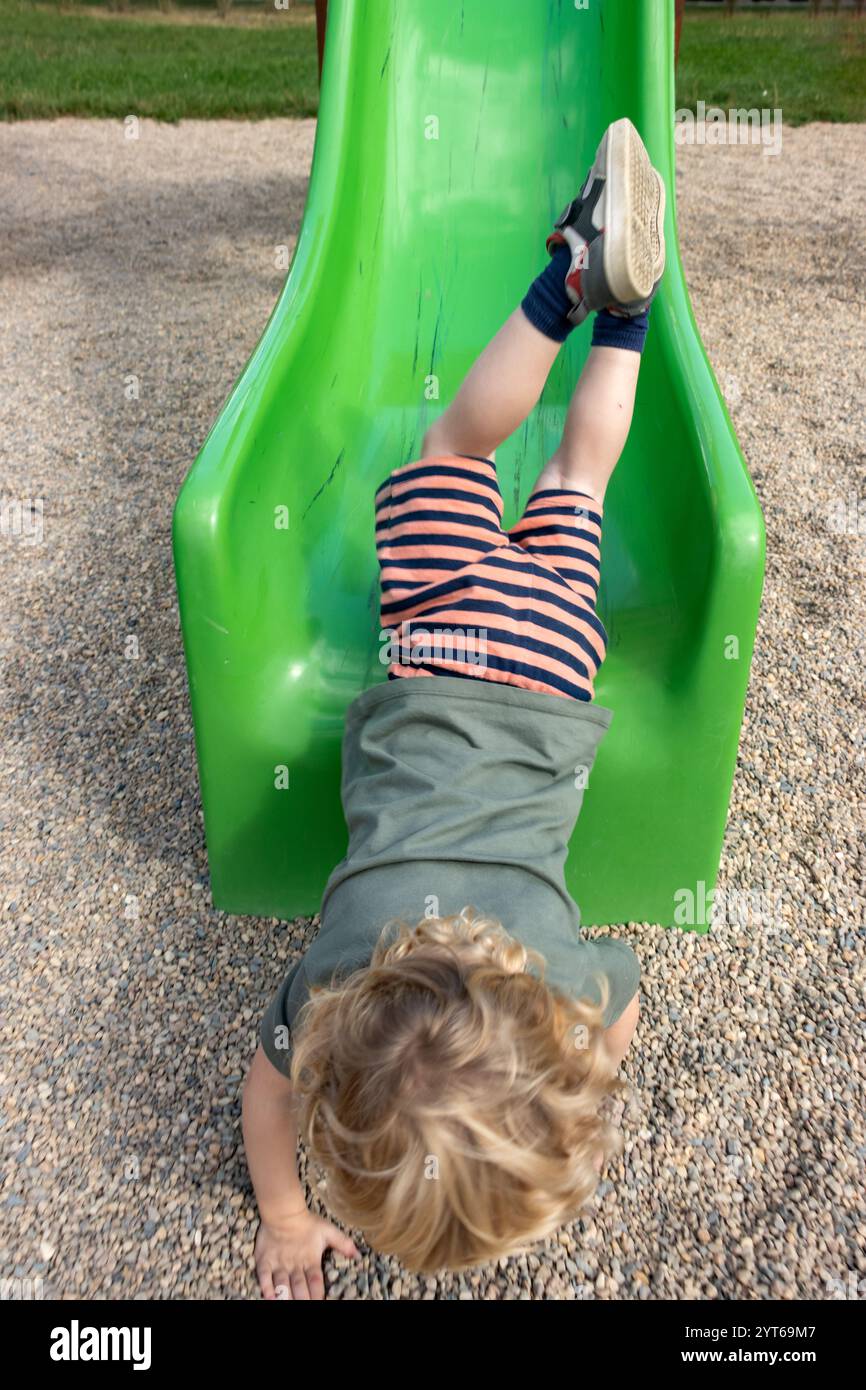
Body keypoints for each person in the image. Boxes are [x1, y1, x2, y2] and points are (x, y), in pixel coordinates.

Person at [242, 117, 666, 1299]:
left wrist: (580, 1057)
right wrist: (281, 1205)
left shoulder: (570, 991)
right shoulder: (327, 975)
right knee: (458, 445)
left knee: (576, 473)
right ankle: (573, 284)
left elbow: (621, 998)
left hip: (548, 671)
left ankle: (622, 311)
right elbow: (268, 1092)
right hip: (442, 637)